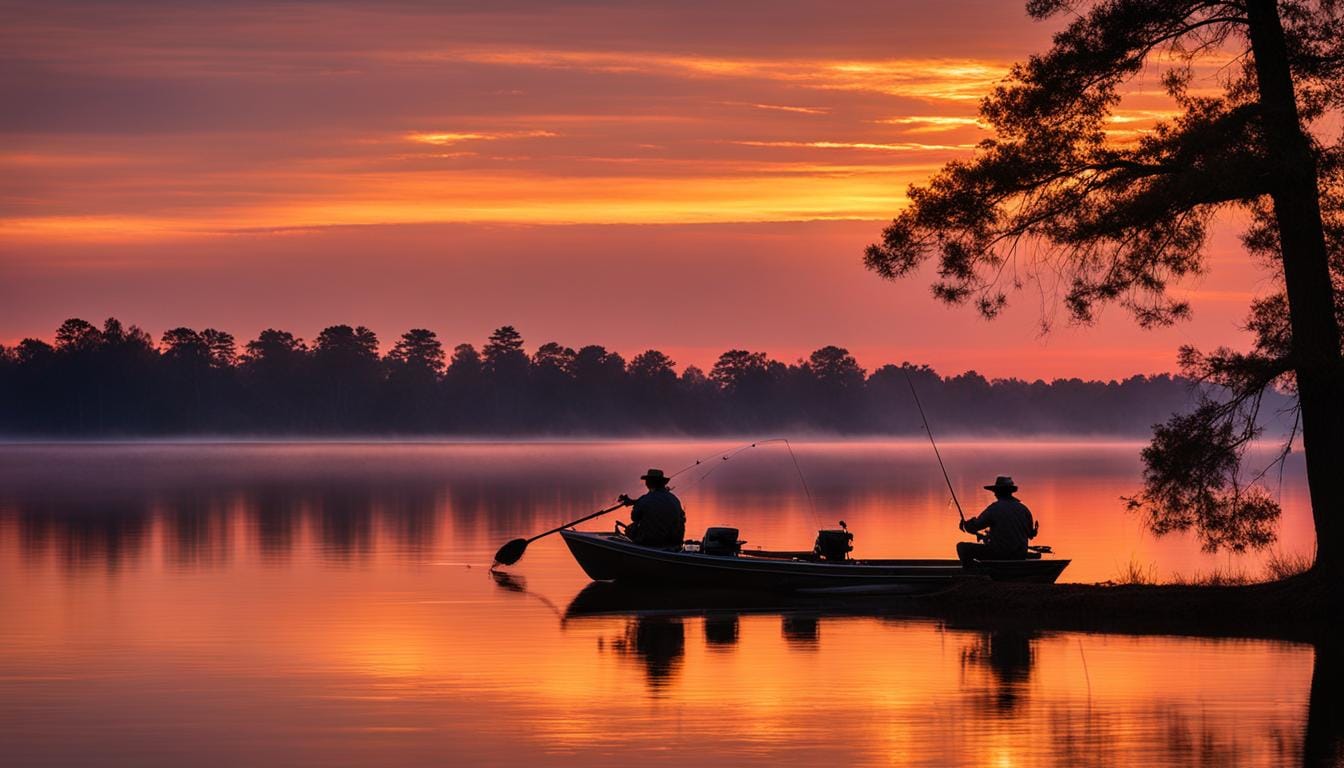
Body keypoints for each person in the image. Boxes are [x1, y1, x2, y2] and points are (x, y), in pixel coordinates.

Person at [957, 475, 1036, 565]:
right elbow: (1031, 535)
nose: (994, 494)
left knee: (962, 547)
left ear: (998, 492)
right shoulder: (1024, 509)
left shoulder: (994, 509)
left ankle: (973, 574)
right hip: (1020, 555)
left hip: (1001, 554)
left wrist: (965, 524)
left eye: (995, 491)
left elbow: (975, 526)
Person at [616, 469, 686, 548]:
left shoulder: (645, 500)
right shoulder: (674, 499)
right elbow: (654, 503)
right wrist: (634, 502)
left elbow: (634, 517)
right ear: (663, 483)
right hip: (674, 542)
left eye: (647, 481)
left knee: (631, 528)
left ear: (649, 483)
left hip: (651, 542)